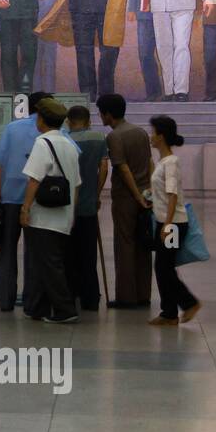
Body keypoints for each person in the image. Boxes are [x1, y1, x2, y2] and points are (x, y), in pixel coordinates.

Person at [0, 91, 74, 312]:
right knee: (34, 253)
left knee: (7, 250)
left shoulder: (11, 128)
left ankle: (5, 298)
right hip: (38, 200)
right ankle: (31, 300)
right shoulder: (60, 133)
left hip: (10, 196)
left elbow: (0, 161)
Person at [20, 98, 82, 324]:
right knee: (46, 261)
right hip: (63, 214)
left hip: (43, 216)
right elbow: (76, 184)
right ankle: (36, 307)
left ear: (42, 120)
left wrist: (25, 209)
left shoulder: (42, 143)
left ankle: (66, 309)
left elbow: (34, 180)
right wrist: (72, 213)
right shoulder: (69, 144)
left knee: (48, 264)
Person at [96, 92, 153, 310]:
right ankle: (143, 294)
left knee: (125, 245)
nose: (101, 117)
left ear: (108, 114)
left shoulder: (114, 136)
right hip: (145, 194)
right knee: (143, 244)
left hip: (127, 198)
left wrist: (137, 197)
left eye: (101, 113)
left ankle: (127, 296)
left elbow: (123, 168)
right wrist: (148, 192)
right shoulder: (139, 132)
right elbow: (149, 163)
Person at [146, 116, 201, 326]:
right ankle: (169, 312)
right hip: (165, 222)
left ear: (161, 136)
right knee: (162, 267)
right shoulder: (163, 162)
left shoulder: (171, 163)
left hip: (173, 225)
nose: (151, 136)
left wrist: (168, 225)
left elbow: (173, 195)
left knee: (164, 267)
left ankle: (188, 304)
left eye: (153, 132)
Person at [64, 105, 108, 311]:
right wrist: (97, 193)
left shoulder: (65, 139)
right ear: (89, 120)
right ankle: (91, 297)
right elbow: (104, 168)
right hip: (89, 204)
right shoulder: (99, 138)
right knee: (89, 254)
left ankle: (71, 293)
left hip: (66, 207)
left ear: (68, 121)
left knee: (69, 254)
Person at [34, 0, 59, 92]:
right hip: (34, 33)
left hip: (51, 33)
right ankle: (36, 94)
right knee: (35, 64)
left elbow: (61, 10)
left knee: (50, 64)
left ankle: (50, 93)